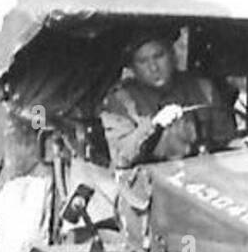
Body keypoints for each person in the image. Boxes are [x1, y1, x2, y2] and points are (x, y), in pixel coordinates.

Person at [100, 30, 235, 167]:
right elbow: (121, 157)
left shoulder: (202, 88)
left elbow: (227, 141)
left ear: (172, 56)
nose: (153, 67)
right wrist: (153, 126)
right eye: (142, 61)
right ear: (133, 68)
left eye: (159, 56)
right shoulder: (122, 101)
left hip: (202, 173)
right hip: (150, 181)